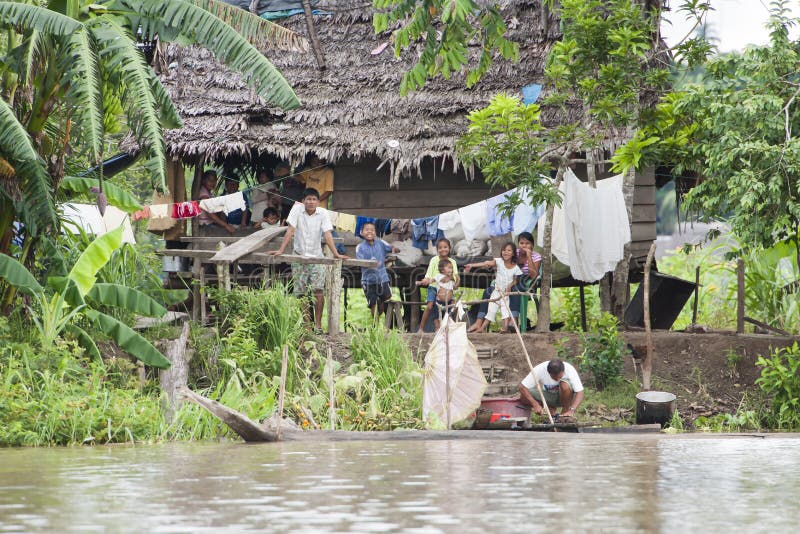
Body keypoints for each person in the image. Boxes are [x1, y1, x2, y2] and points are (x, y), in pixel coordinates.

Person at [268, 188, 348, 332]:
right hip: (299, 256)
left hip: (316, 256)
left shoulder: (322, 213)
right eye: (308, 199)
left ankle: (317, 324)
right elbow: (290, 231)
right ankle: (306, 324)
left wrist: (336, 253)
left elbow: (327, 234)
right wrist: (281, 250)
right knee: (301, 292)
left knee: (318, 291)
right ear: (303, 201)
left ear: (318, 201)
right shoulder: (297, 210)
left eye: (314, 199)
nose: (311, 202)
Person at [465, 242, 521, 333]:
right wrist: (472, 265)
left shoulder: (516, 268)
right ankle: (482, 328)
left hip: (506, 292)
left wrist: (510, 286)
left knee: (505, 309)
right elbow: (485, 263)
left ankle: (505, 328)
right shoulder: (498, 261)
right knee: (491, 309)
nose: (505, 252)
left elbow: (516, 280)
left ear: (513, 253)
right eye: (504, 250)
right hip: (496, 291)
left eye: (509, 250)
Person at [355, 221, 398, 318]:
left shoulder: (381, 243)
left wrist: (394, 251)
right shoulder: (360, 247)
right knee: (373, 304)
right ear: (361, 232)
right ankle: (376, 327)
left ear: (375, 232)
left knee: (387, 298)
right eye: (367, 230)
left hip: (382, 278)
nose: (369, 232)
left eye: (372, 230)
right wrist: (372, 264)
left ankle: (385, 322)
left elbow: (391, 248)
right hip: (368, 280)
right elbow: (360, 261)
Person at [415, 237, 458, 334]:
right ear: (437, 249)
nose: (443, 249)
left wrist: (449, 278)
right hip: (434, 286)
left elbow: (455, 277)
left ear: (449, 248)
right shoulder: (434, 260)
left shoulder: (452, 262)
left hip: (447, 287)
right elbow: (429, 275)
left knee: (453, 307)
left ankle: (450, 328)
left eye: (445, 247)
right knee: (430, 306)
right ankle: (421, 329)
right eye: (440, 248)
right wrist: (425, 280)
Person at [519, 359, 584, 420]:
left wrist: (572, 410)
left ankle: (565, 413)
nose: (558, 380)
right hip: (549, 397)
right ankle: (550, 409)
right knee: (524, 396)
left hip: (565, 398)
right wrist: (535, 404)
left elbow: (580, 392)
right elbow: (522, 387)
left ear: (563, 371)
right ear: (548, 373)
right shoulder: (540, 369)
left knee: (564, 385)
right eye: (554, 378)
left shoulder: (569, 369)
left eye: (560, 377)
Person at [417, 260, 457, 330]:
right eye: (449, 268)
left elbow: (455, 288)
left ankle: (449, 330)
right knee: (437, 317)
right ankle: (437, 329)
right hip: (439, 302)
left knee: (449, 316)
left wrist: (458, 279)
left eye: (451, 268)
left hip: (449, 302)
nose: (451, 269)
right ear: (442, 270)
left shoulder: (452, 279)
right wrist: (421, 282)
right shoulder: (439, 276)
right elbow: (431, 281)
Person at [197, 170, 236, 234]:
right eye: (210, 180)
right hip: (205, 226)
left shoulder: (208, 193)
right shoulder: (204, 194)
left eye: (214, 181)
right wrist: (226, 225)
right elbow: (210, 213)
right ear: (204, 181)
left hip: (209, 224)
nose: (212, 183)